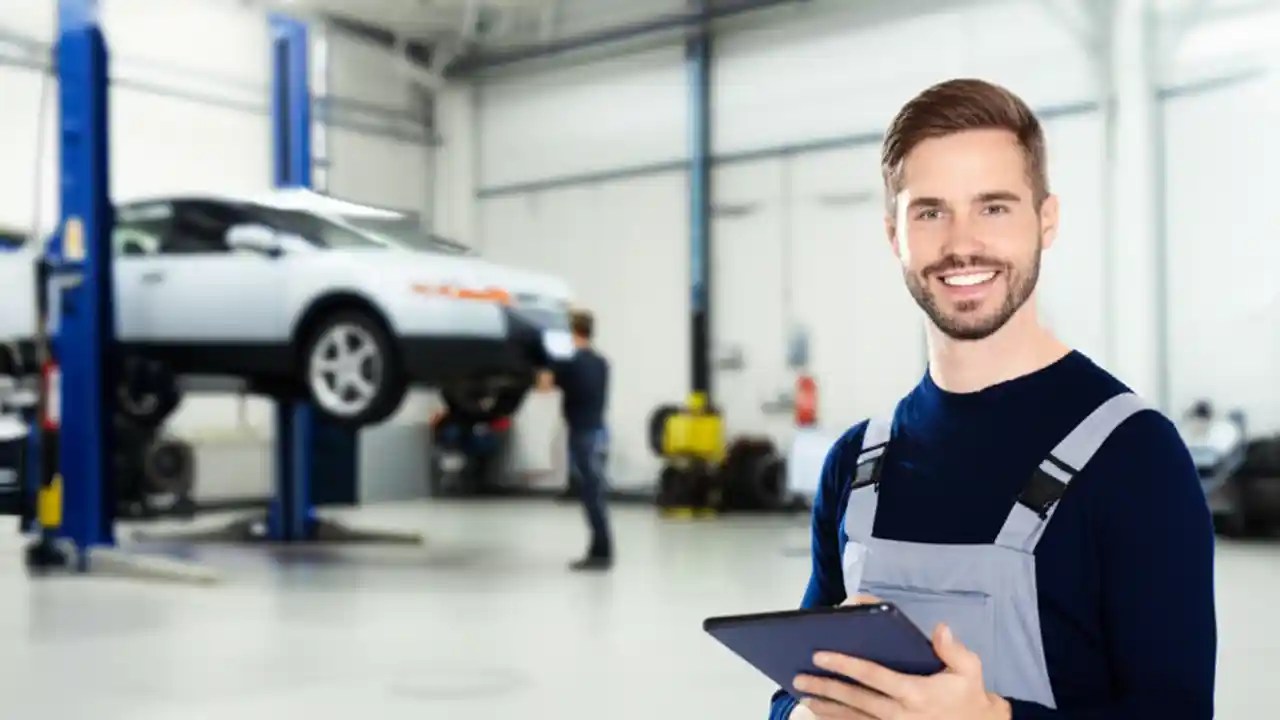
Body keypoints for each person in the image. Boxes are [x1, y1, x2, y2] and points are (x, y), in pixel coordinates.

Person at [770, 78, 1216, 719]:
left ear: (1046, 220)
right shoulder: (854, 463)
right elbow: (792, 691)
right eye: (930, 211)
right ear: (894, 235)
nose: (960, 243)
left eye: (994, 207)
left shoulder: (1135, 456)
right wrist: (805, 714)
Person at [537, 308, 614, 571]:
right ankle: (600, 550)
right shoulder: (600, 361)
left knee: (591, 496)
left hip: (582, 434)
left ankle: (601, 553)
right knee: (596, 495)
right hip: (600, 432)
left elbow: (544, 386)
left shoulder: (570, 362)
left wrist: (546, 360)